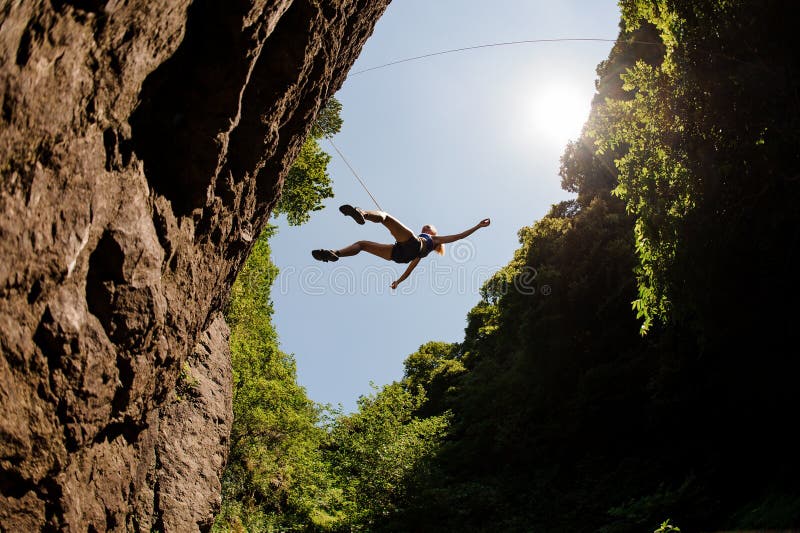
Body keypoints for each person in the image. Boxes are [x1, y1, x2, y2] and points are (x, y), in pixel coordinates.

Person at [312, 205, 491, 289]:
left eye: (428, 227)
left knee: (385, 216)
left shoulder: (433, 240)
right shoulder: (422, 253)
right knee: (362, 245)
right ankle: (334, 253)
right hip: (399, 255)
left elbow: (459, 236)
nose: (425, 227)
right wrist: (398, 282)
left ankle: (362, 213)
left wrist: (477, 226)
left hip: (409, 246)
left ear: (433, 232)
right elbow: (409, 270)